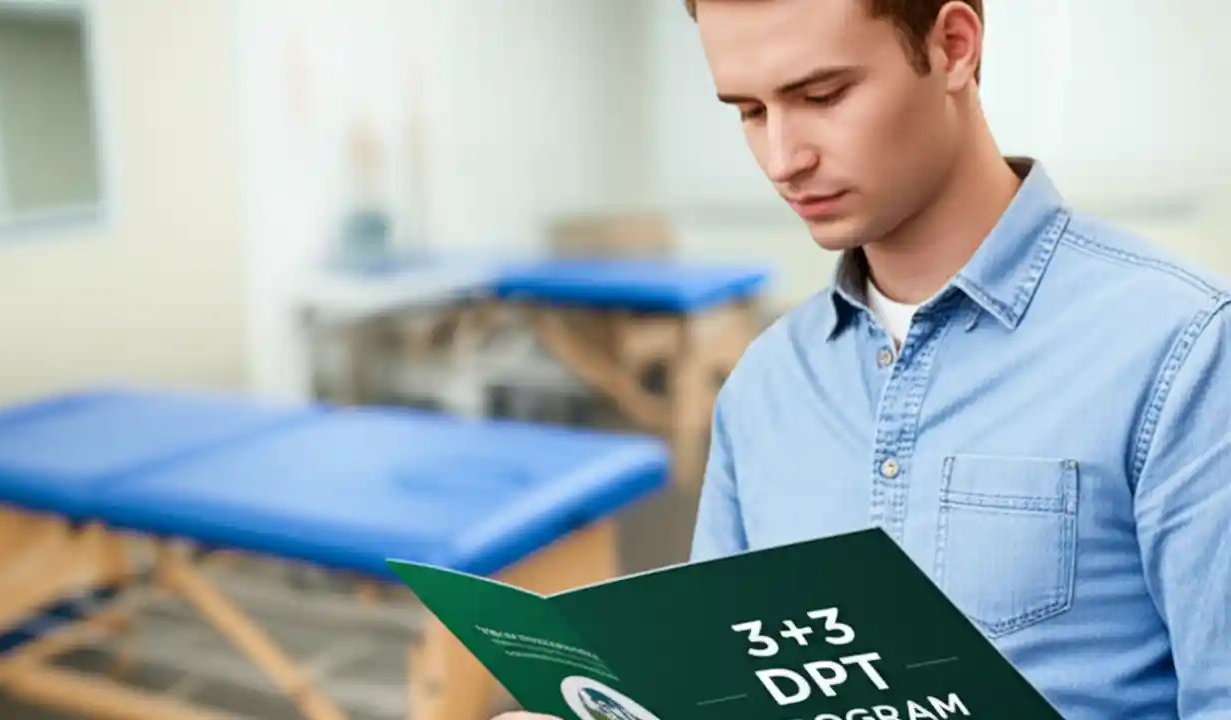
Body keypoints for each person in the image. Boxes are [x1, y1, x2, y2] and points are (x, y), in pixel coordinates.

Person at [496, 0, 1231, 718]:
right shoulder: (766, 385)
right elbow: (724, 693)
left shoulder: (1184, 347)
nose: (784, 160)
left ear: (953, 46)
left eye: (822, 95)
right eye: (749, 112)